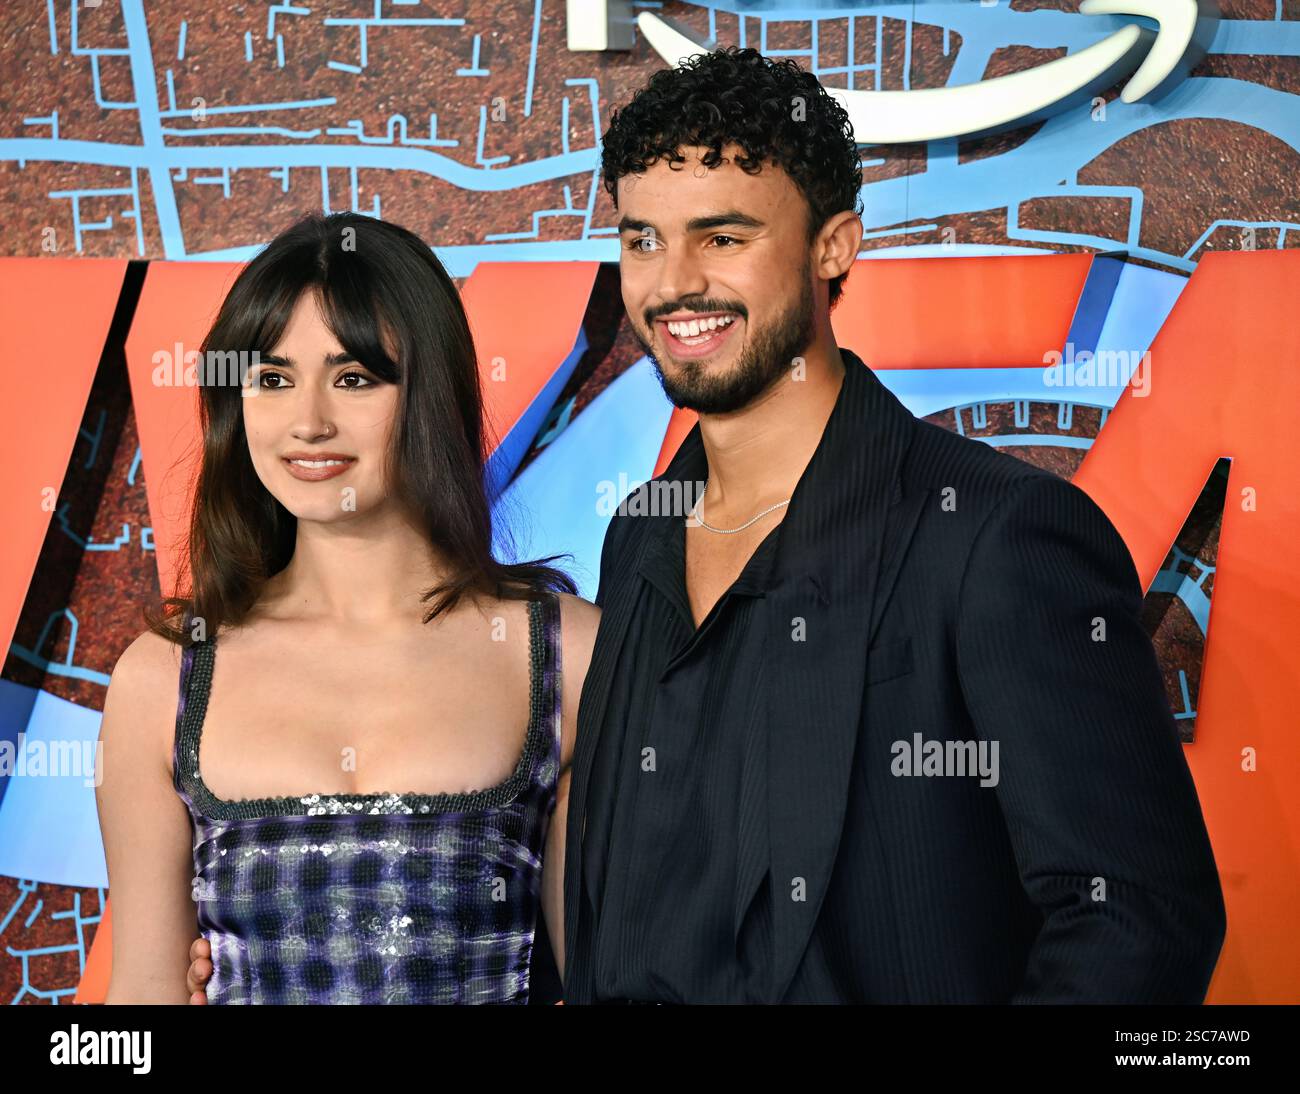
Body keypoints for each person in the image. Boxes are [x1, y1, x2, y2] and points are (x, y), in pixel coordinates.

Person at [554, 46, 1224, 1003]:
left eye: (724, 237)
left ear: (834, 247)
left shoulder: (999, 535)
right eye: (642, 240)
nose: (673, 283)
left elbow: (1140, 922)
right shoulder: (638, 535)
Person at [96, 212, 600, 1004]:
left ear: (431, 392)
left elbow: (611, 984)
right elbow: (139, 1013)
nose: (308, 422)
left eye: (355, 377)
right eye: (271, 377)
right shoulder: (162, 680)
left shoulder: (566, 654)